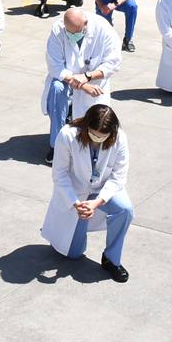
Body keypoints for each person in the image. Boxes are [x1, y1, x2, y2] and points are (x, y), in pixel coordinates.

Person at [40, 103, 133, 282]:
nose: (98, 139)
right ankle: (60, 235)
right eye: (94, 134)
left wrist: (97, 202)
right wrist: (77, 204)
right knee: (73, 254)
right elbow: (59, 174)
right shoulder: (67, 135)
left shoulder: (119, 138)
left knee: (125, 210)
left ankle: (112, 260)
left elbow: (119, 176)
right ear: (85, 126)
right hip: (76, 193)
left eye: (103, 136)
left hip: (103, 190)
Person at [41, 5, 122, 159]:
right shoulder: (58, 29)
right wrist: (82, 84)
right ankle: (57, 145)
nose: (72, 35)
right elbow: (55, 65)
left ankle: (88, 144)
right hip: (67, 79)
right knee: (56, 89)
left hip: (95, 82)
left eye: (76, 32)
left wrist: (88, 76)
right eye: (69, 32)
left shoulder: (103, 29)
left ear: (85, 24)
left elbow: (114, 62)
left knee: (94, 122)